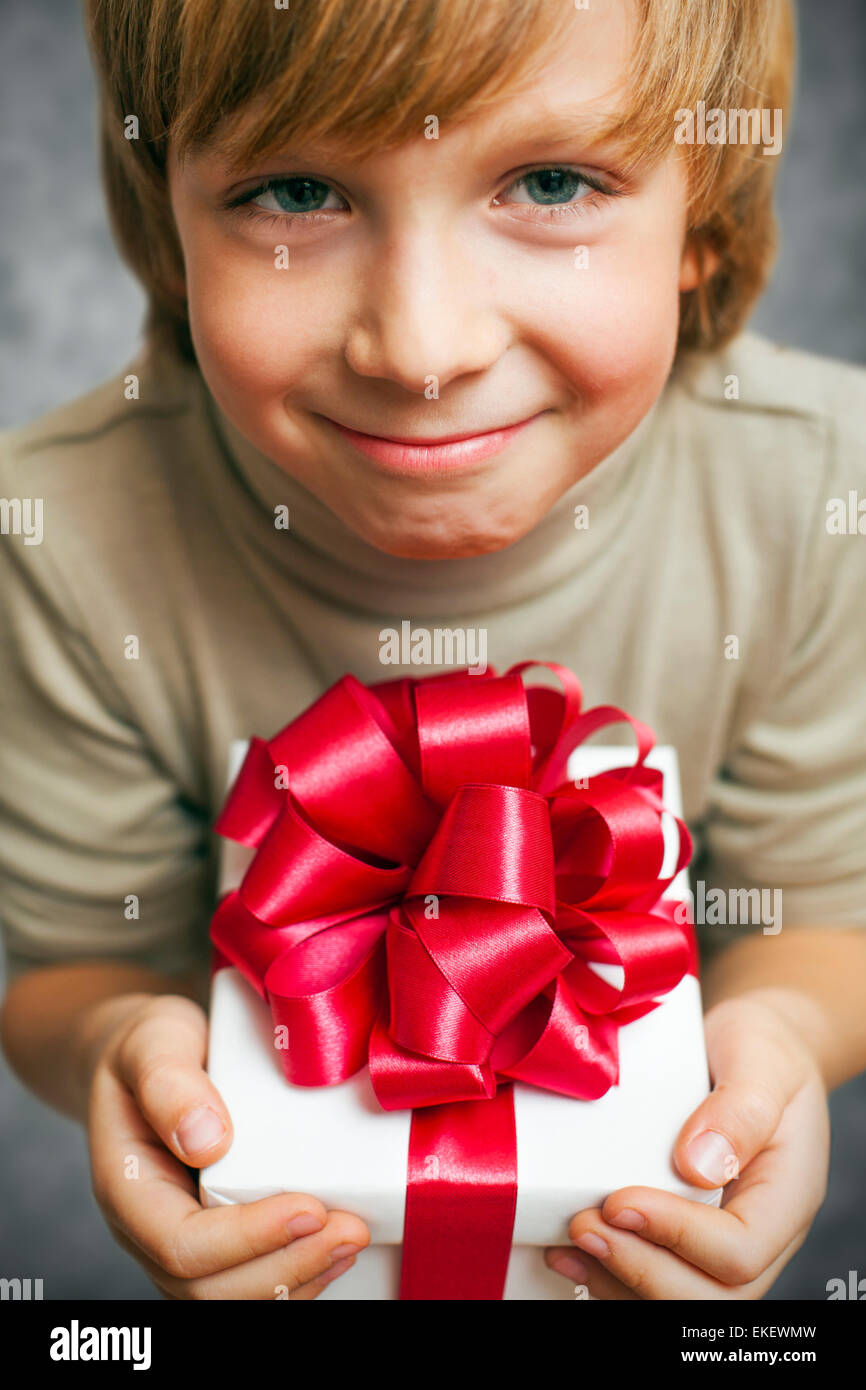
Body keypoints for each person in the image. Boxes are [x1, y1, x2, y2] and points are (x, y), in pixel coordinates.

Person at [1, 0, 864, 1300]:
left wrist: (780, 1032)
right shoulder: (60, 534)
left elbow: (822, 912)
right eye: (295, 190)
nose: (419, 347)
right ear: (163, 224)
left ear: (703, 215)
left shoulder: (817, 491)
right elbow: (74, 958)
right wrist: (121, 1038)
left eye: (553, 182)